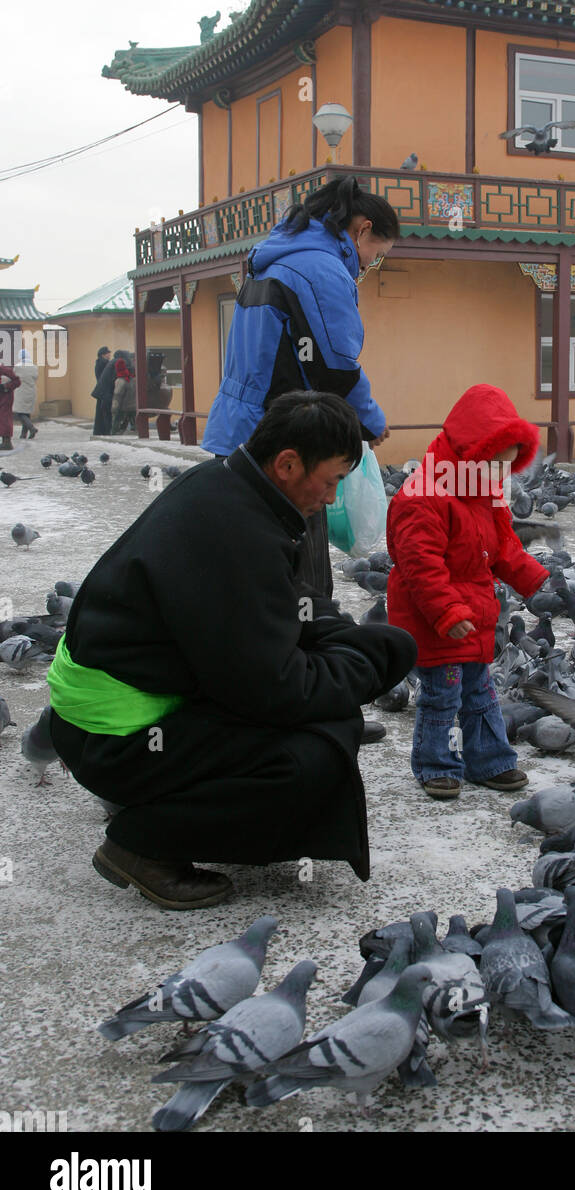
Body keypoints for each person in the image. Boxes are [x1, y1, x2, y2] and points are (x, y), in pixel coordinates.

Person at [47, 390, 417, 910]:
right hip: (113, 738)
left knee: (325, 720)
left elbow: (284, 599)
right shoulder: (234, 530)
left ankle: (155, 795)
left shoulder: (224, 485)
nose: (332, 499)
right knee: (310, 755)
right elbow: (276, 692)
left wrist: (340, 632)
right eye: (331, 481)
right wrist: (372, 660)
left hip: (110, 716)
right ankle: (142, 842)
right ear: (288, 464)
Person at [202, 174, 399, 599]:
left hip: (239, 434)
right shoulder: (320, 270)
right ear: (362, 229)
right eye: (376, 255)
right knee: (299, 584)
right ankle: (300, 659)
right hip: (284, 446)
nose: (370, 265)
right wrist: (371, 421)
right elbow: (335, 369)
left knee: (247, 573)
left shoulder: (277, 257)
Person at [386, 384, 550, 800]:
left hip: (474, 617)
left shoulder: (485, 494)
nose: (502, 477)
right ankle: (435, 765)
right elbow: (420, 566)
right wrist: (447, 613)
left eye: (507, 468)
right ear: (470, 454)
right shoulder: (422, 496)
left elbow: (505, 547)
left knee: (481, 692)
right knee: (443, 695)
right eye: (496, 466)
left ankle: (490, 760)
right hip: (437, 620)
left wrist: (533, 578)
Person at [12, 348, 38, 439]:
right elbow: (36, 377)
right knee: (26, 413)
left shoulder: (18, 367)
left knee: (20, 413)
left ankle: (32, 428)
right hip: (31, 391)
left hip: (20, 391)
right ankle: (23, 434)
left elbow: (13, 377)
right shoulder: (34, 366)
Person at [111, 353, 136, 435]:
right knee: (134, 422)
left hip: (123, 407)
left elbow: (117, 396)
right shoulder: (131, 378)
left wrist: (114, 409)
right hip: (133, 406)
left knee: (117, 422)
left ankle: (114, 435)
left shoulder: (120, 381)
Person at [91, 347, 114, 436]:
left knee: (100, 413)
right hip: (104, 391)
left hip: (101, 391)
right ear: (103, 354)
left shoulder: (100, 362)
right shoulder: (104, 363)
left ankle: (99, 431)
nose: (109, 355)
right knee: (104, 412)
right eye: (108, 353)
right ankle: (104, 431)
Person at [0, 363, 22, 452]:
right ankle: (5, 442)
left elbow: (17, 382)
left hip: (5, 398)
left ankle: (7, 442)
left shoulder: (5, 370)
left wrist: (5, 387)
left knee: (5, 418)